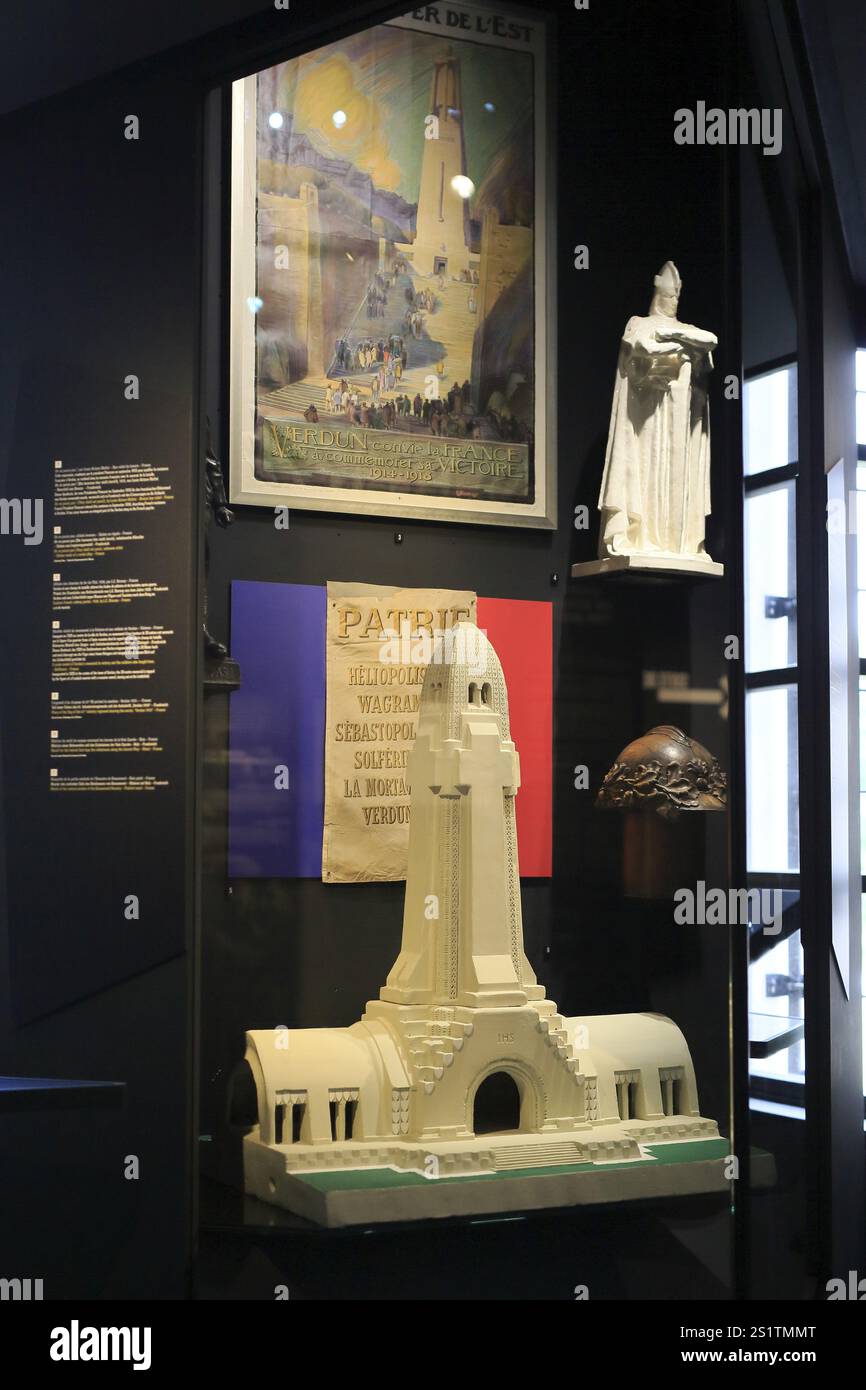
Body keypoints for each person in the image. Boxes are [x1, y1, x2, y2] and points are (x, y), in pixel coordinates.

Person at [597, 260, 718, 561]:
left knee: (676, 476)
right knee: (644, 474)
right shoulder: (638, 323)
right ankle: (642, 536)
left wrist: (670, 337)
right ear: (658, 293)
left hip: (678, 417)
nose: (674, 300)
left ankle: (674, 542)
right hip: (646, 419)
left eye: (678, 295)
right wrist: (677, 348)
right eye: (670, 294)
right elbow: (641, 348)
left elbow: (710, 340)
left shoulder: (684, 329)